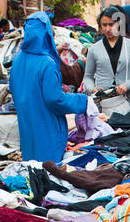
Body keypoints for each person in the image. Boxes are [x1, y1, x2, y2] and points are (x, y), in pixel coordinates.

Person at [9, 11, 89, 163]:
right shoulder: (47, 64)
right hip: (47, 129)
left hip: (27, 126)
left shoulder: (18, 60)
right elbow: (55, 100)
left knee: (32, 169)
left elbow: (14, 89)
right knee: (50, 172)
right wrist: (82, 101)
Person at [82, 5, 130, 115]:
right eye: (104, 25)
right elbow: (88, 77)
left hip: (128, 103)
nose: (107, 29)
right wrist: (93, 89)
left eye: (111, 24)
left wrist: (128, 84)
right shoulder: (94, 49)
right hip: (102, 107)